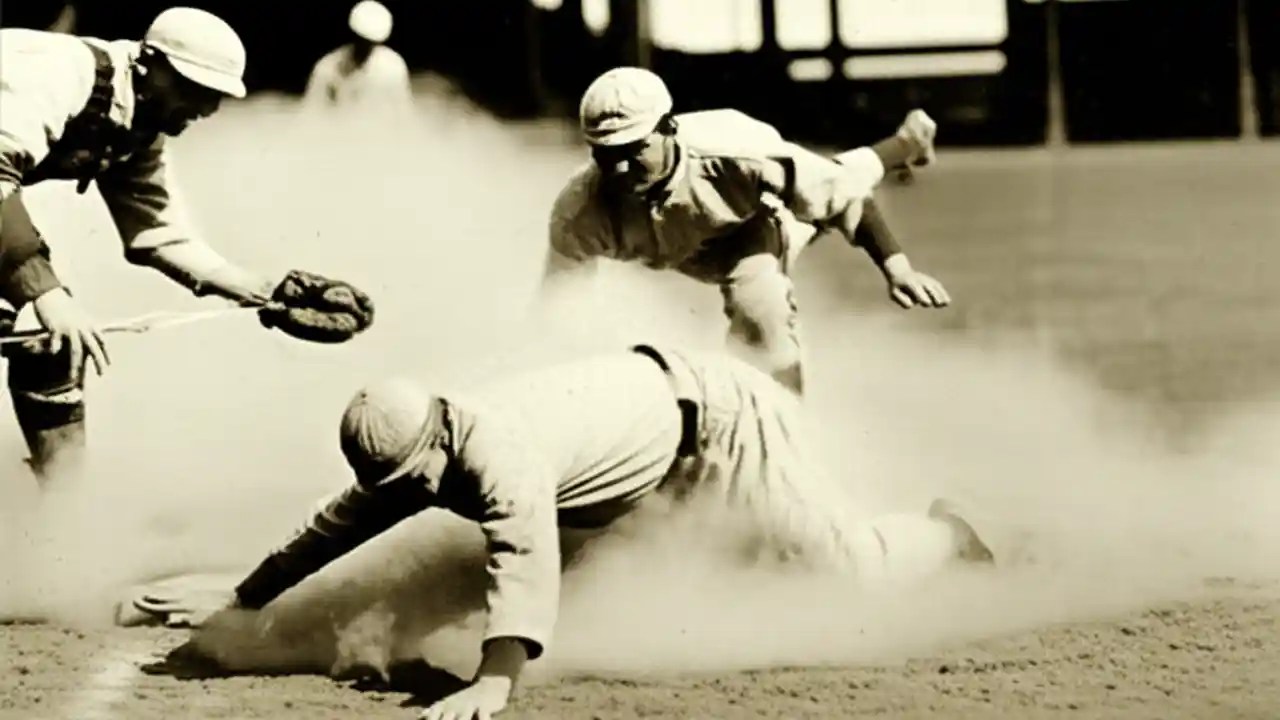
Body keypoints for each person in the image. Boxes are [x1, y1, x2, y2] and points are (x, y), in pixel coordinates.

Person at [125, 343, 995, 719]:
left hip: (724, 421)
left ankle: (945, 534)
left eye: (405, 479)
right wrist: (242, 592)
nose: (399, 494)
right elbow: (332, 529)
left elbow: (525, 559)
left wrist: (495, 683)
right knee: (439, 581)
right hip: (639, 464)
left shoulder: (500, 458)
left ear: (437, 435)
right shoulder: (417, 445)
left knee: (843, 569)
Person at [0, 8, 376, 481]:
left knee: (45, 335)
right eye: (193, 89)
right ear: (148, 62)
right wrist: (45, 292)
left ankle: (64, 503)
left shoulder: (135, 121)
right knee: (47, 320)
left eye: (213, 96)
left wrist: (266, 290)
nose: (206, 109)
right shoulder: (58, 74)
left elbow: (156, 233)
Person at [544, 66, 951, 395]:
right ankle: (907, 141)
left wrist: (897, 269)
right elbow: (559, 306)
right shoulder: (581, 207)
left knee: (762, 306)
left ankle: (784, 437)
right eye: (604, 153)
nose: (617, 168)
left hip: (751, 225)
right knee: (835, 174)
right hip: (688, 248)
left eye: (632, 150)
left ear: (668, 128)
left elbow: (844, 197)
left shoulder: (735, 155)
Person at [302, 0, 413, 112]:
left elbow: (402, 113)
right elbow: (311, 112)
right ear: (352, 35)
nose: (365, 46)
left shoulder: (393, 67)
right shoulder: (327, 68)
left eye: (371, 42)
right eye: (362, 40)